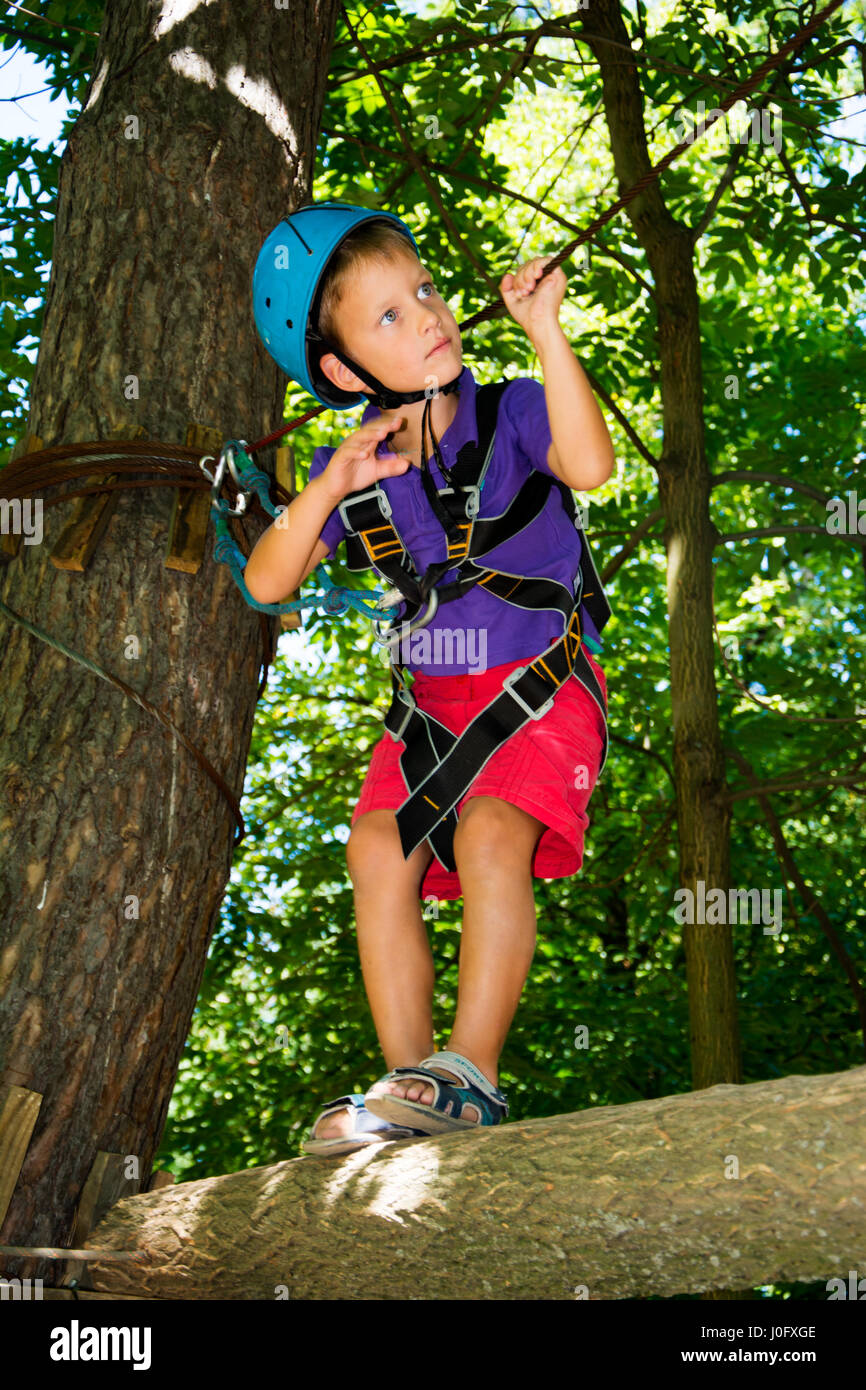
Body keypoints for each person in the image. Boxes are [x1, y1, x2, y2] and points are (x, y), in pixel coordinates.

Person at [246, 202, 615, 1156]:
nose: (429, 316)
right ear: (341, 372)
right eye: (391, 318)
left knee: (494, 831)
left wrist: (545, 331)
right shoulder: (355, 466)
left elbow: (592, 464)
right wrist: (328, 484)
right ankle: (408, 1096)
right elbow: (265, 582)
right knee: (375, 851)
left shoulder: (513, 412)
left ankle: (471, 1072)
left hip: (540, 681)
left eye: (425, 292)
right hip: (430, 713)